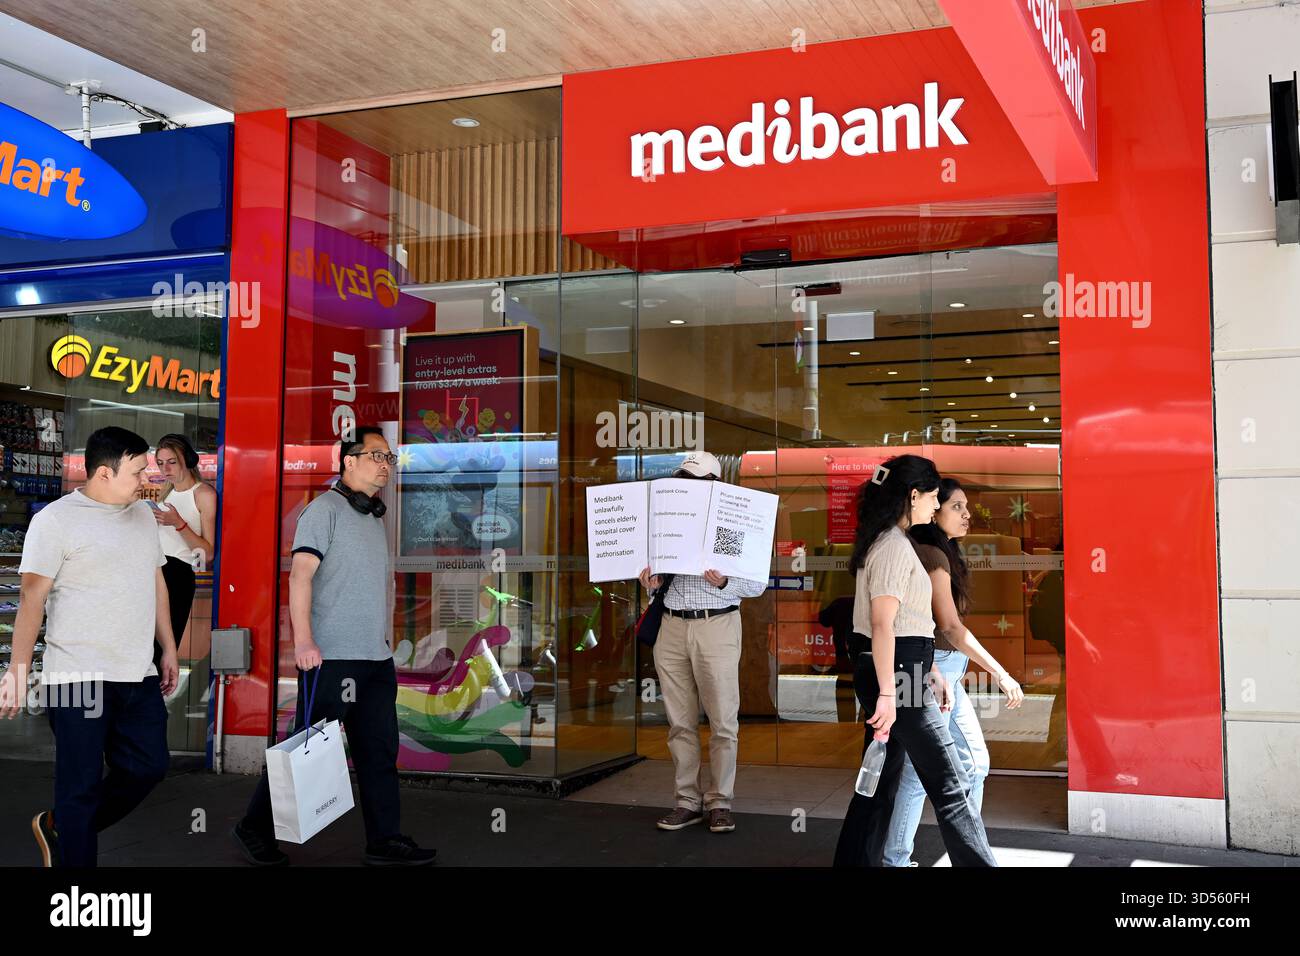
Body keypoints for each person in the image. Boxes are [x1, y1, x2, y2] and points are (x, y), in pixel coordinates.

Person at [232, 426, 436, 867]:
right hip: (333, 657)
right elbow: (299, 576)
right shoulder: (323, 510)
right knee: (309, 748)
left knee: (379, 752)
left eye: (389, 458)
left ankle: (384, 840)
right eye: (377, 456)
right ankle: (254, 826)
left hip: (375, 659)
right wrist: (303, 641)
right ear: (348, 461)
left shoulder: (373, 517)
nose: (385, 465)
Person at [0, 426, 179, 867]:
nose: (147, 479)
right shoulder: (55, 520)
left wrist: (168, 647)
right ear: (103, 472)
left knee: (149, 767)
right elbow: (31, 598)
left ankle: (62, 825)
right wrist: (18, 672)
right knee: (79, 786)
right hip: (77, 677)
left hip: (137, 673)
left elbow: (155, 580)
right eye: (138, 471)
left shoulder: (141, 516)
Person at [832, 454, 996, 867]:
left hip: (903, 671)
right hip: (898, 676)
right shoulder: (891, 545)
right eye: (934, 498)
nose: (937, 505)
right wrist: (890, 693)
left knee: (879, 784)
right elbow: (883, 624)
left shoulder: (890, 541)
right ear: (913, 495)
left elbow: (905, 623)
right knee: (949, 785)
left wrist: (932, 671)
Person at [882, 477, 1024, 866]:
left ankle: (907, 858)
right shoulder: (931, 555)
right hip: (934, 668)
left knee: (935, 768)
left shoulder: (935, 552)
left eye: (966, 507)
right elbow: (949, 627)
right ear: (933, 509)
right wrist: (1002, 673)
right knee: (960, 765)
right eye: (956, 507)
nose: (967, 514)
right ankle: (960, 854)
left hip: (935, 669)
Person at [638, 450, 767, 834]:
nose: (687, 489)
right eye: (683, 481)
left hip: (717, 625)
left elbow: (756, 584)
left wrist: (726, 581)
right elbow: (653, 577)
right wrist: (650, 586)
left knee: (723, 721)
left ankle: (720, 803)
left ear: (713, 485)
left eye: (694, 483)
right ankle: (686, 801)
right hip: (672, 627)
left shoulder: (731, 524)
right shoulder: (667, 522)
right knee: (679, 722)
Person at [151, 433, 217, 672]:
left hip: (177, 572)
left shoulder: (204, 495)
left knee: (160, 648)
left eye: (171, 462)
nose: (165, 468)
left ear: (187, 460)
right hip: (154, 570)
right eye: (160, 463)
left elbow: (207, 553)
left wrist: (178, 523)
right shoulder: (166, 492)